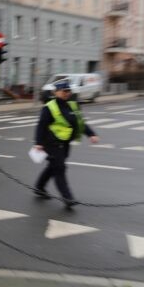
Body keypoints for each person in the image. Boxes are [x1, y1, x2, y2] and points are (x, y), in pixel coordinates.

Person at [33, 80, 99, 208]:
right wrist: (38, 142)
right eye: (64, 91)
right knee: (60, 169)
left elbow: (80, 123)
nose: (67, 93)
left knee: (53, 167)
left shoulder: (72, 106)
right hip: (50, 143)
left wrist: (91, 134)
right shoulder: (49, 107)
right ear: (56, 92)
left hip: (64, 144)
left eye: (68, 91)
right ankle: (67, 197)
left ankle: (39, 187)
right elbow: (41, 125)